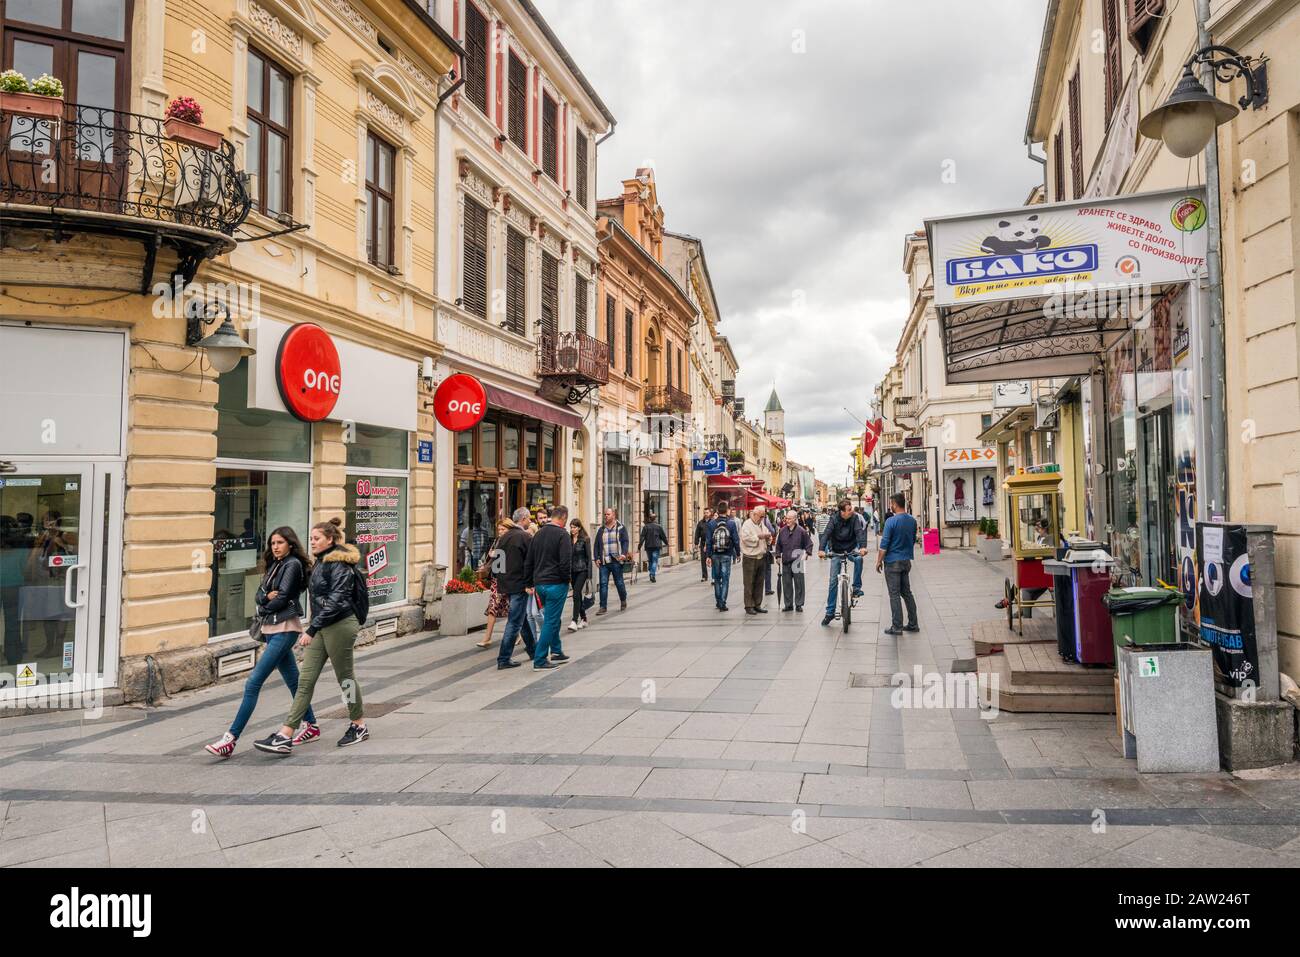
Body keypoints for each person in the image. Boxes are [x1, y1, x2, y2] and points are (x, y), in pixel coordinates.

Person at [254, 518, 369, 754]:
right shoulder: (320, 562)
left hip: (340, 625)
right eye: (311, 539)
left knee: (345, 678)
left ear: (331, 539)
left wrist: (312, 629)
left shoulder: (339, 564)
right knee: (305, 680)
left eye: (316, 538)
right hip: (322, 626)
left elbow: (337, 601)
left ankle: (358, 724)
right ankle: (286, 734)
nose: (313, 542)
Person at [205, 527, 316, 757]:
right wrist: (266, 598)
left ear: (291, 545)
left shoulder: (292, 564)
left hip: (285, 628)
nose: (275, 546)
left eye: (280, 542)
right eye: (272, 543)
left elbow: (283, 597)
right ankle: (311, 725)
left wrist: (263, 604)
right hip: (272, 628)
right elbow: (259, 593)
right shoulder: (275, 564)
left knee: (253, 683)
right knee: (293, 681)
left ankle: (230, 739)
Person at [524, 505, 572, 670]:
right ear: (563, 517)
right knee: (551, 621)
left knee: (552, 618)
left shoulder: (538, 534)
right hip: (556, 583)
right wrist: (567, 580)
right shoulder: (562, 535)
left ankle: (557, 651)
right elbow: (565, 562)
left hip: (540, 584)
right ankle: (540, 659)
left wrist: (529, 582)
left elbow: (529, 561)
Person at [494, 512, 536, 669]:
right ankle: (503, 658)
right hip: (520, 585)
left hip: (507, 584)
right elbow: (531, 562)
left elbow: (496, 564)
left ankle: (533, 649)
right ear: (523, 519)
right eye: (529, 518)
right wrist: (530, 583)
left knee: (521, 618)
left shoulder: (504, 537)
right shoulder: (525, 537)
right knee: (514, 622)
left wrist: (501, 581)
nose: (530, 521)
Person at [819, 499, 868, 627]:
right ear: (842, 512)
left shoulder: (854, 518)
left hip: (851, 548)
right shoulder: (834, 519)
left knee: (858, 559)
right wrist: (821, 550)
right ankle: (830, 613)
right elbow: (826, 534)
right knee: (833, 582)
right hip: (836, 550)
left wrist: (862, 547)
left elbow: (859, 532)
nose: (851, 511)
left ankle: (856, 588)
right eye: (849, 509)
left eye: (851, 508)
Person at [877, 492, 919, 635]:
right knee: (907, 593)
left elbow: (884, 545)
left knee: (894, 594)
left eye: (891, 504)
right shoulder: (912, 521)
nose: (891, 506)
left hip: (892, 562)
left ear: (895, 504)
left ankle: (897, 626)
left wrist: (878, 561)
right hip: (906, 561)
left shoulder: (891, 522)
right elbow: (913, 540)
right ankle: (913, 624)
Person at [476, 519, 512, 649]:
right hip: (497, 580)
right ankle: (487, 638)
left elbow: (511, 558)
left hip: (508, 580)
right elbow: (493, 560)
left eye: (503, 529)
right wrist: (485, 567)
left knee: (511, 609)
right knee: (492, 607)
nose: (501, 532)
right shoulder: (497, 541)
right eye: (499, 529)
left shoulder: (511, 541)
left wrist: (498, 553)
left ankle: (519, 634)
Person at [593, 507, 630, 615]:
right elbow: (596, 546)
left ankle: (623, 600)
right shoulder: (601, 529)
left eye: (608, 514)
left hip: (616, 560)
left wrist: (623, 554)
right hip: (604, 561)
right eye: (605, 514)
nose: (606, 516)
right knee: (603, 583)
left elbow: (625, 542)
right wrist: (596, 558)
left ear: (614, 515)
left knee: (619, 582)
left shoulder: (621, 528)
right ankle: (602, 607)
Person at [776, 509, 814, 612]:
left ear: (794, 519)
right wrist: (778, 556)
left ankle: (798, 604)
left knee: (799, 583)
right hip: (786, 560)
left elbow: (809, 544)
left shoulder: (801, 531)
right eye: (786, 518)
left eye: (789, 518)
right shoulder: (782, 531)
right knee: (787, 583)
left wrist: (807, 553)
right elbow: (778, 545)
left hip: (797, 560)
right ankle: (788, 605)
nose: (787, 520)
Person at [706, 501, 740, 611]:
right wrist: (738, 553)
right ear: (726, 510)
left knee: (716, 579)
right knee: (725, 579)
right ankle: (723, 602)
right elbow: (735, 540)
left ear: (717, 511)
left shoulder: (711, 524)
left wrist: (708, 556)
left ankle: (718, 601)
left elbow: (708, 542)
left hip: (715, 555)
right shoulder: (731, 523)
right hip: (727, 554)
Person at [740, 505, 772, 615]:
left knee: (759, 582)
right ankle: (749, 605)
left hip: (761, 556)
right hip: (750, 558)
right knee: (749, 582)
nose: (762, 518)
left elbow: (767, 533)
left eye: (763, 516)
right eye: (761, 516)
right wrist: (759, 537)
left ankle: (757, 604)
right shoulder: (747, 524)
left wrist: (768, 537)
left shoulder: (761, 523)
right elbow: (745, 539)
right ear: (754, 514)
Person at [568, 518, 593, 632]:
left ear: (579, 528)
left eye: (574, 527)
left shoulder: (585, 539)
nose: (572, 529)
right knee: (577, 596)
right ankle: (584, 618)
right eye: (571, 527)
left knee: (576, 593)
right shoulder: (568, 539)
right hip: (572, 571)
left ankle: (574, 620)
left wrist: (589, 575)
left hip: (582, 570)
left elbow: (588, 557)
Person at [639, 511, 668, 583]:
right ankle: (652, 574)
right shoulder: (659, 527)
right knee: (655, 561)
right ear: (655, 519)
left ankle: (651, 572)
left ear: (649, 519)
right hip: (656, 546)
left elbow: (642, 537)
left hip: (648, 546)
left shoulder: (646, 527)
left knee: (651, 560)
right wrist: (667, 543)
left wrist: (639, 546)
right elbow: (663, 536)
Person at [693, 508, 713, 581]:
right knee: (703, 560)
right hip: (703, 542)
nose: (706, 514)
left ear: (710, 513)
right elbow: (697, 533)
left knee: (712, 559)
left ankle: (714, 577)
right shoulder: (700, 523)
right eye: (704, 513)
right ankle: (704, 576)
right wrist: (696, 543)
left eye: (707, 512)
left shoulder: (712, 522)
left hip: (711, 543)